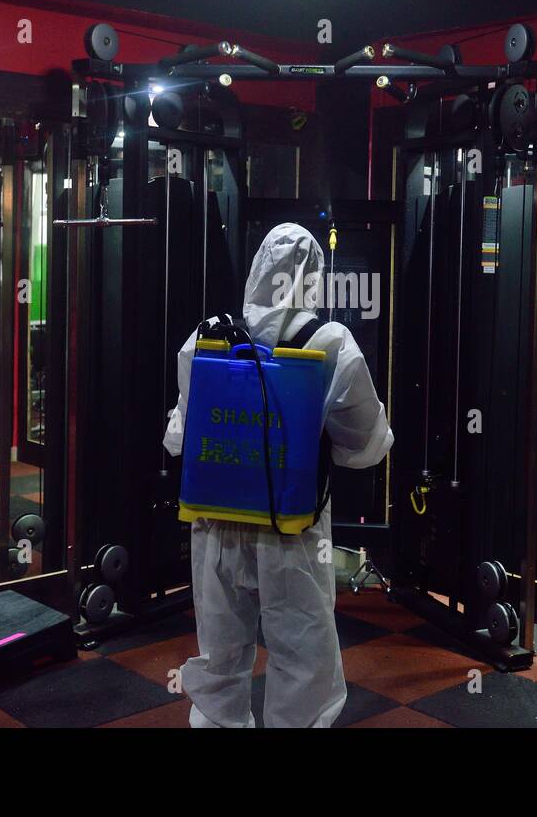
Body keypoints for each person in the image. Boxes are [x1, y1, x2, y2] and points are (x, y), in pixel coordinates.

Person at [163, 222, 394, 727]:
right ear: (315, 276)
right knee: (303, 653)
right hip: (294, 531)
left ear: (257, 269)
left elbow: (179, 437)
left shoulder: (205, 337)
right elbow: (366, 445)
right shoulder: (332, 343)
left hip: (216, 524)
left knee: (220, 652)